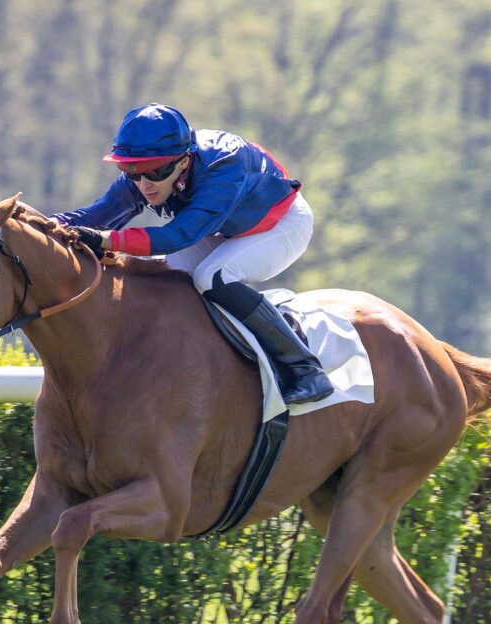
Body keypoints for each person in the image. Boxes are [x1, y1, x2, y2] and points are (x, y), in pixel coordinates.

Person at [52, 103, 334, 406]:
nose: (144, 185)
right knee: (163, 279)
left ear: (184, 161)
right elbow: (98, 216)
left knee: (211, 277)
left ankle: (306, 368)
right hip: (225, 228)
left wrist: (106, 240)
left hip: (281, 225)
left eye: (155, 172)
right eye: (131, 172)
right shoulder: (147, 171)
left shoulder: (223, 167)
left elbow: (178, 236)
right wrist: (36, 224)